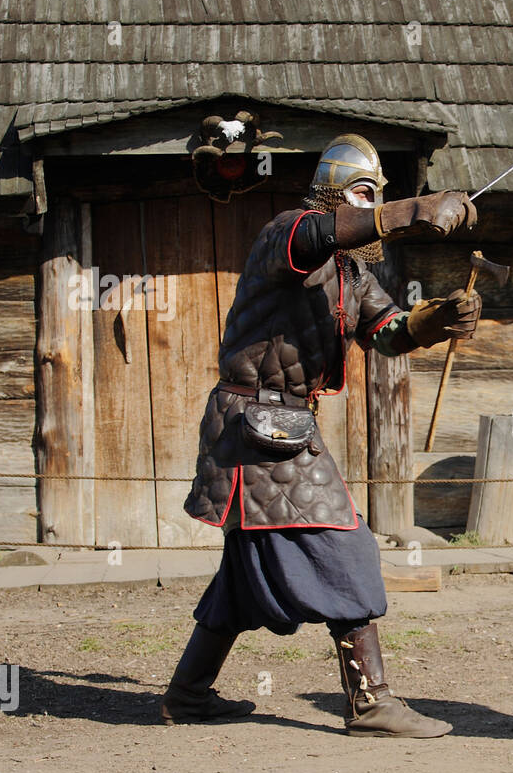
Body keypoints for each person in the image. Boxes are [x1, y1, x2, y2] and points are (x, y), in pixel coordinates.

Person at [161, 134, 480, 738]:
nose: (374, 202)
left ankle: (187, 696)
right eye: (364, 193)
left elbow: (387, 333)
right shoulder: (286, 233)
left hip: (283, 424)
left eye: (379, 195)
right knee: (348, 544)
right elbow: (315, 238)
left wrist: (440, 318)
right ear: (332, 191)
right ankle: (371, 702)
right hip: (255, 421)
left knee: (241, 575)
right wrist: (414, 210)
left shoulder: (355, 274)